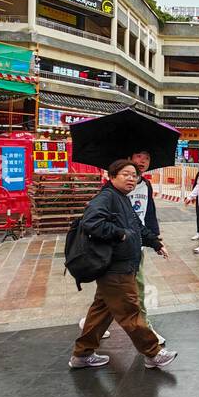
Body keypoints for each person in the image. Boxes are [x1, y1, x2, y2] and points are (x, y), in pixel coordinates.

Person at [70, 159, 177, 370]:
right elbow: (92, 223)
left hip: (121, 266)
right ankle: (153, 353)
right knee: (130, 312)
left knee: (100, 312)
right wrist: (119, 234)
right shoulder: (107, 197)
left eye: (134, 175)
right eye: (125, 174)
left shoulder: (121, 198)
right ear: (111, 177)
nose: (131, 178)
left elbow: (136, 225)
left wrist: (154, 242)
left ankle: (82, 355)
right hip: (116, 267)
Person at [126, 149, 165, 344]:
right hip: (120, 246)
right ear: (129, 158)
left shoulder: (146, 185)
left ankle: (93, 322)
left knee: (109, 293)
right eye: (138, 156)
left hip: (137, 244)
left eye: (147, 158)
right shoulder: (117, 186)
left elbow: (149, 212)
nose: (143, 161)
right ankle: (147, 330)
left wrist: (155, 237)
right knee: (137, 289)